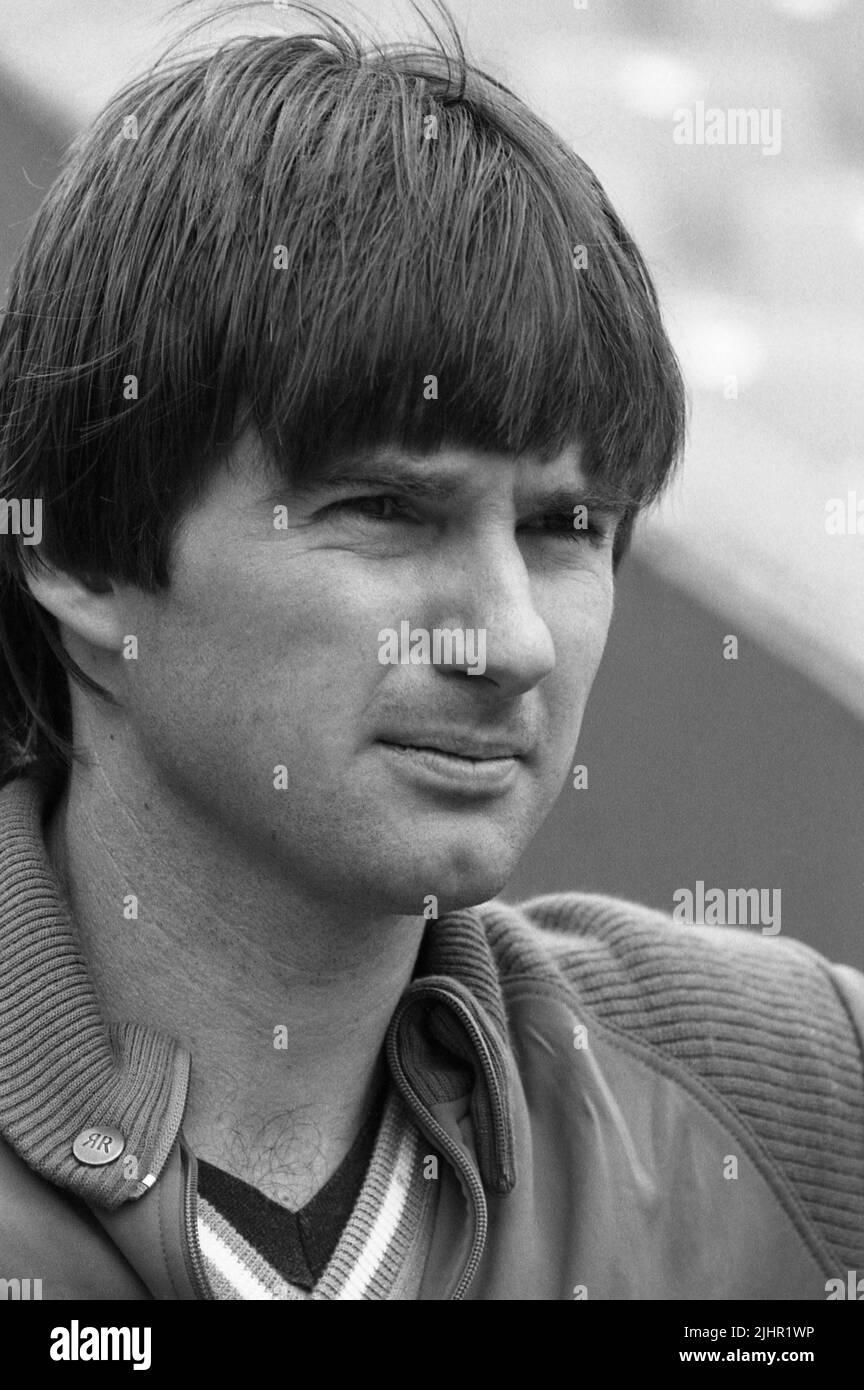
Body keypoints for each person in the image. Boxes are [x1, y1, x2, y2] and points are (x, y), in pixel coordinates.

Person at [0, 3, 861, 1301]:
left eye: (565, 528)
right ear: (74, 555)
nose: (511, 638)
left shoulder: (793, 1091)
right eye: (387, 511)